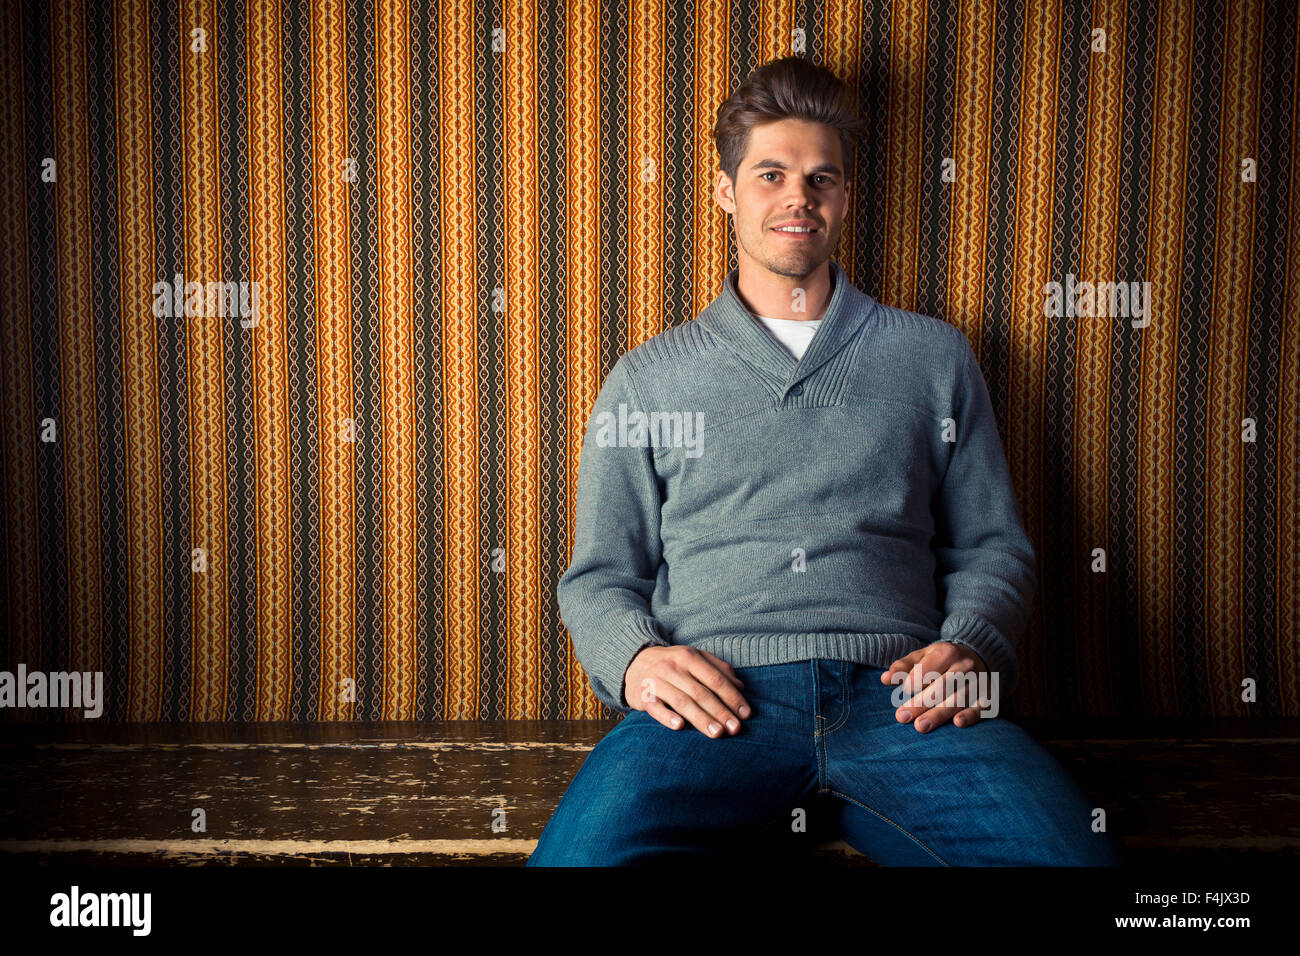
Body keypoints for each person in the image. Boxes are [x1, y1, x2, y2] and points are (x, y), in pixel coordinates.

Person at [528, 56, 1122, 866]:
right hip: (715, 705)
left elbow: (992, 547)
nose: (798, 197)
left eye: (822, 177)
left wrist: (974, 642)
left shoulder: (933, 357)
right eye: (771, 174)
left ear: (844, 196)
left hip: (905, 702)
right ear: (726, 191)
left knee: (1075, 861)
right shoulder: (650, 377)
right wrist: (634, 662)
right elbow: (598, 575)